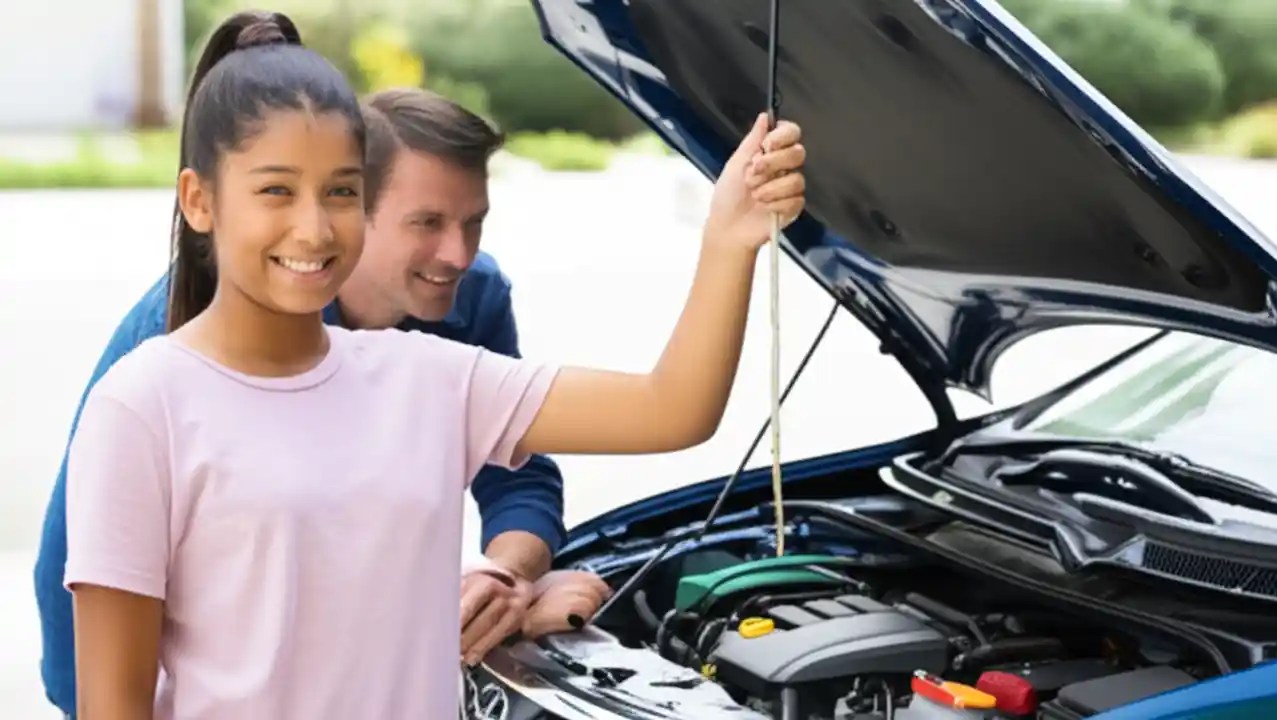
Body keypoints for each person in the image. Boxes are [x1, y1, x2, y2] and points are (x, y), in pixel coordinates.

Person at [63, 9, 805, 720]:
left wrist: (728, 239)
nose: (315, 227)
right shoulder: (142, 403)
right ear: (199, 200)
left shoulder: (432, 376)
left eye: (342, 192)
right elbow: (112, 703)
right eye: (276, 191)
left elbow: (672, 408)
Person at [32, 61, 605, 720]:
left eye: (473, 222)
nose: (458, 253)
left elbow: (521, 477)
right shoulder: (181, 336)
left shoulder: (470, 299)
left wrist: (506, 578)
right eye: (426, 223)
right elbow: (78, 557)